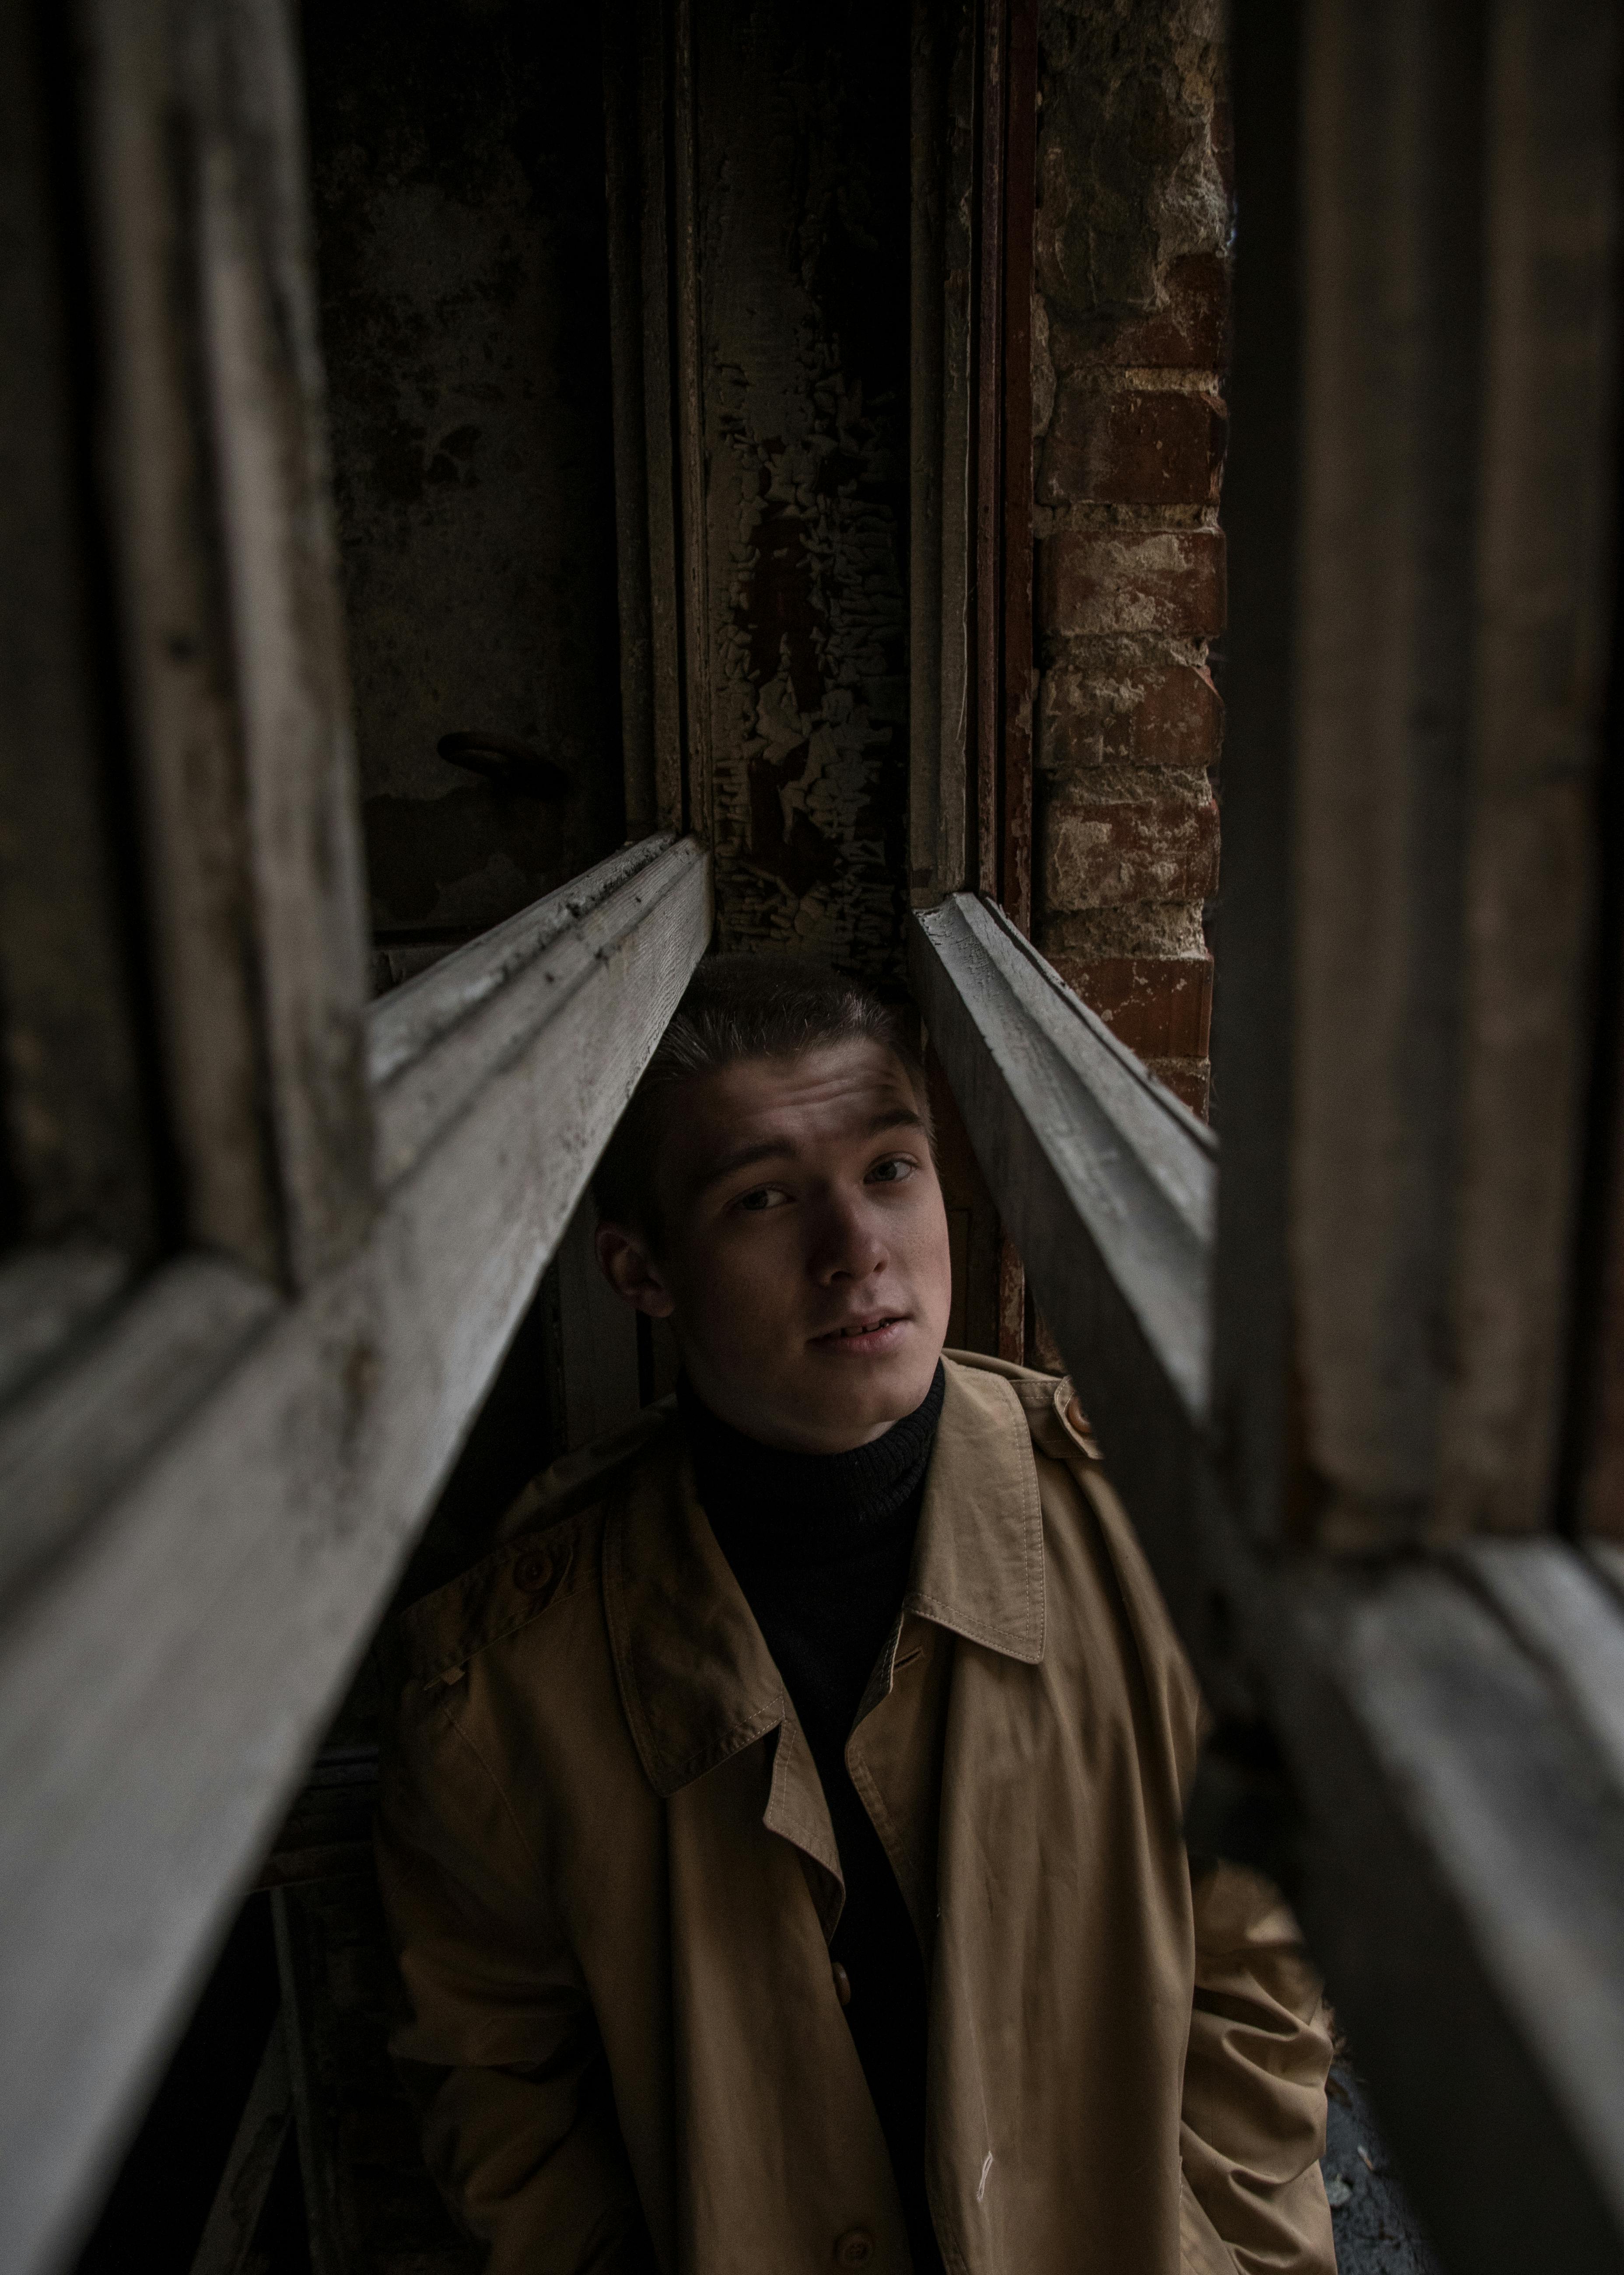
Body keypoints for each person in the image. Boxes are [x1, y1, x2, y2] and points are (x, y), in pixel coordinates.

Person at [376, 953, 1336, 2275]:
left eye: (892, 1169)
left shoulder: (1154, 1539)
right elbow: (494, 2082)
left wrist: (1222, 2247)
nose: (857, 1250)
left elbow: (1264, 1965)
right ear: (640, 1269)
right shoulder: (506, 1679)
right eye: (765, 1198)